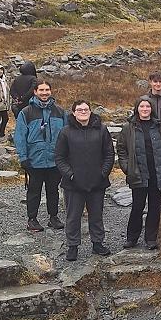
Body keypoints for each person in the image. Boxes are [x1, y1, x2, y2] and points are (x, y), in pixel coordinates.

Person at [54, 100, 115, 261]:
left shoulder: (101, 130)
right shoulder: (65, 132)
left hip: (97, 182)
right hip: (73, 184)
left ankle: (97, 243)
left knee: (96, 215)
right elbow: (60, 158)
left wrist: (103, 173)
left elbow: (109, 154)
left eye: (86, 109)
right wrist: (70, 175)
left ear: (90, 111)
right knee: (73, 216)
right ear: (73, 113)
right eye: (79, 109)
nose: (83, 111)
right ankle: (72, 246)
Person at [117, 96, 161, 249]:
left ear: (152, 109)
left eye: (148, 106)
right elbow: (121, 149)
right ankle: (131, 238)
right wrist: (127, 167)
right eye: (142, 106)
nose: (145, 109)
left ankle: (151, 238)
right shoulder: (128, 127)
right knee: (137, 206)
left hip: (157, 173)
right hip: (138, 174)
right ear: (137, 108)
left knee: (154, 207)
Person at [13, 78, 66, 232]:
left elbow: (67, 134)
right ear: (35, 92)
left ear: (50, 91)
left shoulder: (60, 111)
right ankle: (32, 219)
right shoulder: (26, 112)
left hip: (55, 160)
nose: (44, 93)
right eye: (41, 90)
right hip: (34, 160)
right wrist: (23, 157)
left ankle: (53, 217)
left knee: (53, 190)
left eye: (47, 90)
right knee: (34, 191)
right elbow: (20, 136)